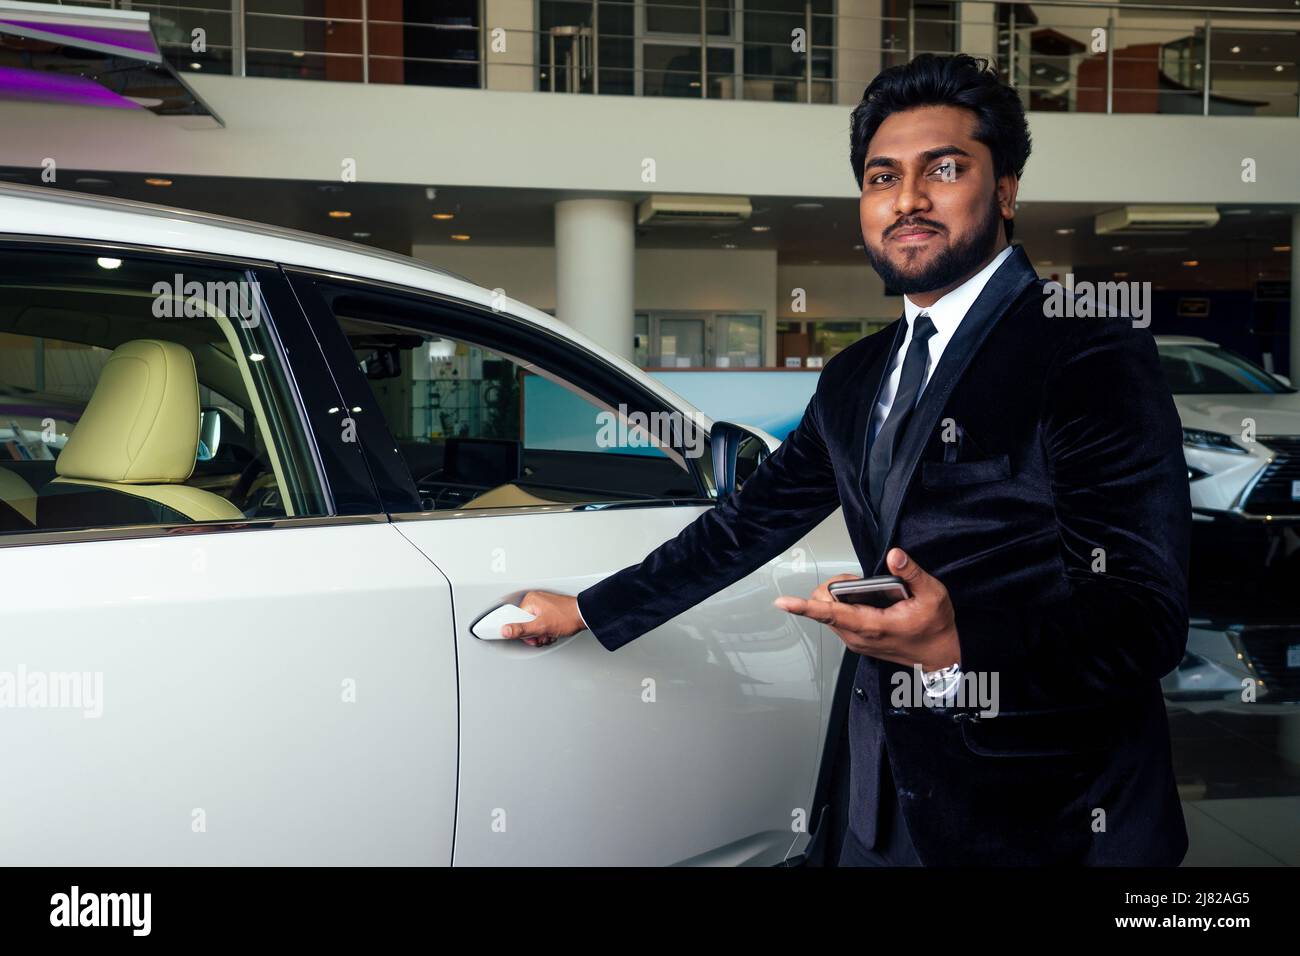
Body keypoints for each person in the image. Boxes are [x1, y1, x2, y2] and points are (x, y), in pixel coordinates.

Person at [500, 53, 1191, 866]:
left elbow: (1145, 614)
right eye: (880, 177)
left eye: (944, 169)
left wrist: (959, 645)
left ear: (1005, 189)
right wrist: (588, 609)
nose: (907, 199)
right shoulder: (856, 375)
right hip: (879, 790)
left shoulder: (1086, 350)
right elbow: (744, 525)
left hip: (1049, 816)